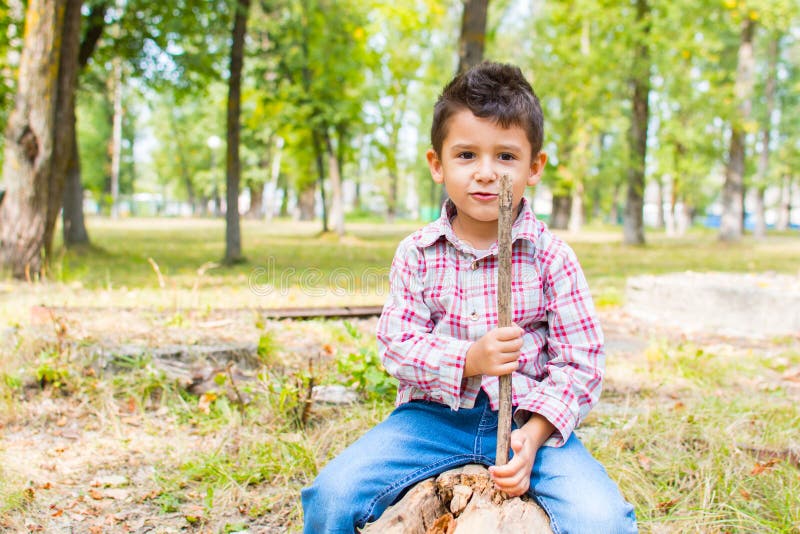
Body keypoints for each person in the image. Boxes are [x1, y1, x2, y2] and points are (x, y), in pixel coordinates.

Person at [301, 61, 637, 533]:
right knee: (331, 497)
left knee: (603, 520)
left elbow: (582, 362)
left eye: (505, 156)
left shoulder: (552, 257)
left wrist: (536, 434)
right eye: (465, 156)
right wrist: (471, 358)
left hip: (526, 421)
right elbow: (397, 344)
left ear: (534, 167)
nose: (485, 173)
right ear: (437, 165)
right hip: (431, 420)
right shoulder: (418, 253)